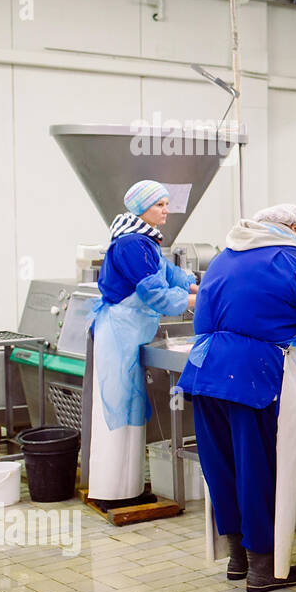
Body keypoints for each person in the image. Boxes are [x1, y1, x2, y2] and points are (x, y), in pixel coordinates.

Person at [178, 204, 296, 592]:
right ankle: (265, 567)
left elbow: (203, 321)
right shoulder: (294, 261)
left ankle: (239, 558)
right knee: (262, 470)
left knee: (225, 468)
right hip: (260, 377)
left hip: (208, 373)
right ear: (293, 228)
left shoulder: (224, 257)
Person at [87, 180, 197, 508]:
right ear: (142, 208)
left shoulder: (143, 239)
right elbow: (155, 293)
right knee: (117, 410)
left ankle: (129, 488)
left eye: (166, 204)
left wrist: (200, 285)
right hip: (119, 333)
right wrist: (196, 300)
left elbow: (171, 276)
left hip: (130, 333)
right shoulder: (133, 244)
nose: (167, 210)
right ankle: (112, 493)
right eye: (160, 205)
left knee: (131, 410)